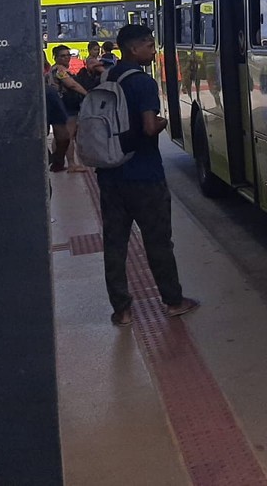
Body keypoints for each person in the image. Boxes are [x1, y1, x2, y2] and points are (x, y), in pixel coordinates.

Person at [99, 23, 199, 327]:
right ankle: (173, 301)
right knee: (157, 241)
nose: (153, 51)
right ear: (133, 48)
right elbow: (147, 127)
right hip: (144, 176)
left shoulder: (107, 76)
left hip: (109, 173)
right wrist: (163, 122)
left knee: (115, 244)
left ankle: (122, 310)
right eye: (149, 46)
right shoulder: (142, 83)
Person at [51, 44, 90, 173]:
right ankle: (72, 164)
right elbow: (71, 85)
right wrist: (87, 94)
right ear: (55, 57)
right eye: (62, 56)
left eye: (68, 55)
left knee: (59, 136)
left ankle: (58, 162)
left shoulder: (52, 70)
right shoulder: (60, 71)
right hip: (67, 105)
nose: (66, 58)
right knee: (69, 135)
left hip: (57, 105)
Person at [44, 56, 69, 172]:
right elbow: (62, 136)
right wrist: (58, 161)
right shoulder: (48, 93)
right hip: (35, 154)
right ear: (45, 67)